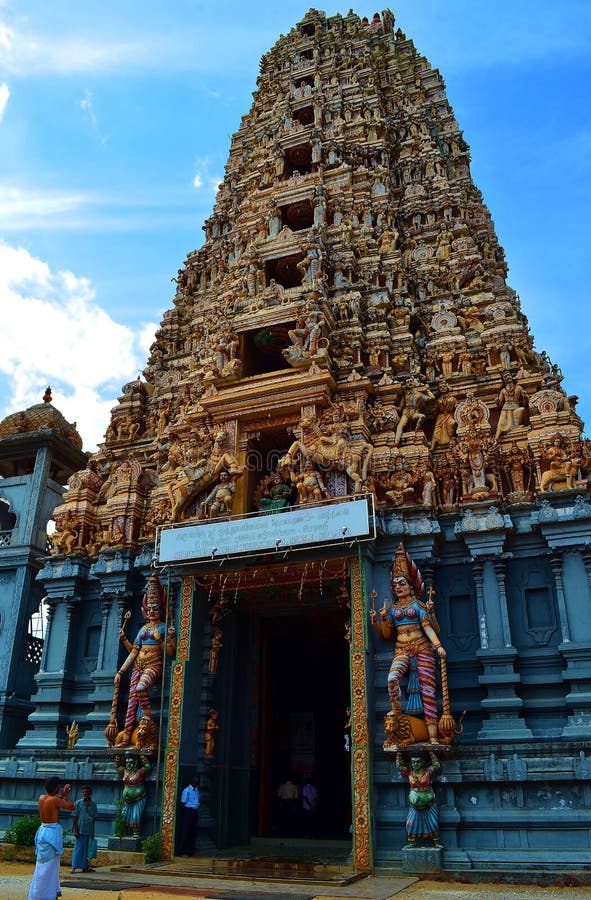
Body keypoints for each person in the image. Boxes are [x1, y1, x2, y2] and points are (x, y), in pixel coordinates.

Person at [370, 543, 445, 744]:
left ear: (411, 585)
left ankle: (432, 736)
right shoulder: (393, 609)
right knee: (391, 679)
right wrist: (380, 619)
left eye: (401, 583)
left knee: (428, 690)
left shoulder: (418, 605)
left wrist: (437, 645)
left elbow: (428, 627)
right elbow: (386, 635)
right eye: (395, 585)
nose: (398, 587)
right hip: (401, 648)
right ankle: (396, 711)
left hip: (422, 647)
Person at [114, 573, 176, 746]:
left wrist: (162, 640)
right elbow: (133, 652)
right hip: (138, 666)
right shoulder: (143, 630)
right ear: (145, 610)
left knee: (141, 688)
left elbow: (171, 652)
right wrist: (121, 671)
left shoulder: (164, 628)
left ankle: (147, 717)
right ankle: (127, 735)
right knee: (131, 701)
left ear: (161, 609)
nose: (152, 611)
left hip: (154, 666)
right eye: (149, 608)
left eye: (155, 608)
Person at [27, 776, 74, 900]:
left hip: (42, 832)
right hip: (52, 834)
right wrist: (66, 795)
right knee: (50, 868)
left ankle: (41, 893)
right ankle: (46, 895)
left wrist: (62, 795)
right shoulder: (55, 800)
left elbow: (56, 803)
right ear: (57, 787)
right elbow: (70, 806)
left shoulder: (41, 798)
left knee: (42, 866)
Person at [396, 751, 441, 848]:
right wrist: (399, 753)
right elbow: (399, 766)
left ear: (423, 762)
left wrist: (431, 752)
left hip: (429, 804)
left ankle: (436, 842)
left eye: (418, 762)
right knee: (411, 823)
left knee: (433, 822)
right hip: (414, 806)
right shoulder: (409, 773)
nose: (415, 764)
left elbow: (436, 765)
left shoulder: (428, 772)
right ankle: (411, 842)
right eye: (413, 762)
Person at [71, 785, 97, 874]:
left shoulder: (93, 804)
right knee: (78, 848)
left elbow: (94, 818)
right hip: (80, 829)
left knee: (86, 849)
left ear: (90, 793)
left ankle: (84, 867)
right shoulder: (78, 803)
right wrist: (75, 830)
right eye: (83, 792)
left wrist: (93, 831)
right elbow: (74, 817)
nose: (85, 794)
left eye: (86, 792)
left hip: (88, 830)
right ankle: (73, 867)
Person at [178, 775, 200, 856]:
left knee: (193, 832)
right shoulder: (186, 791)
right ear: (193, 782)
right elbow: (182, 803)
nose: (197, 783)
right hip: (188, 812)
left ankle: (190, 850)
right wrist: (186, 813)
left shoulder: (197, 790)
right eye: (196, 781)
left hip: (194, 812)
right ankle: (182, 851)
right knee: (185, 831)